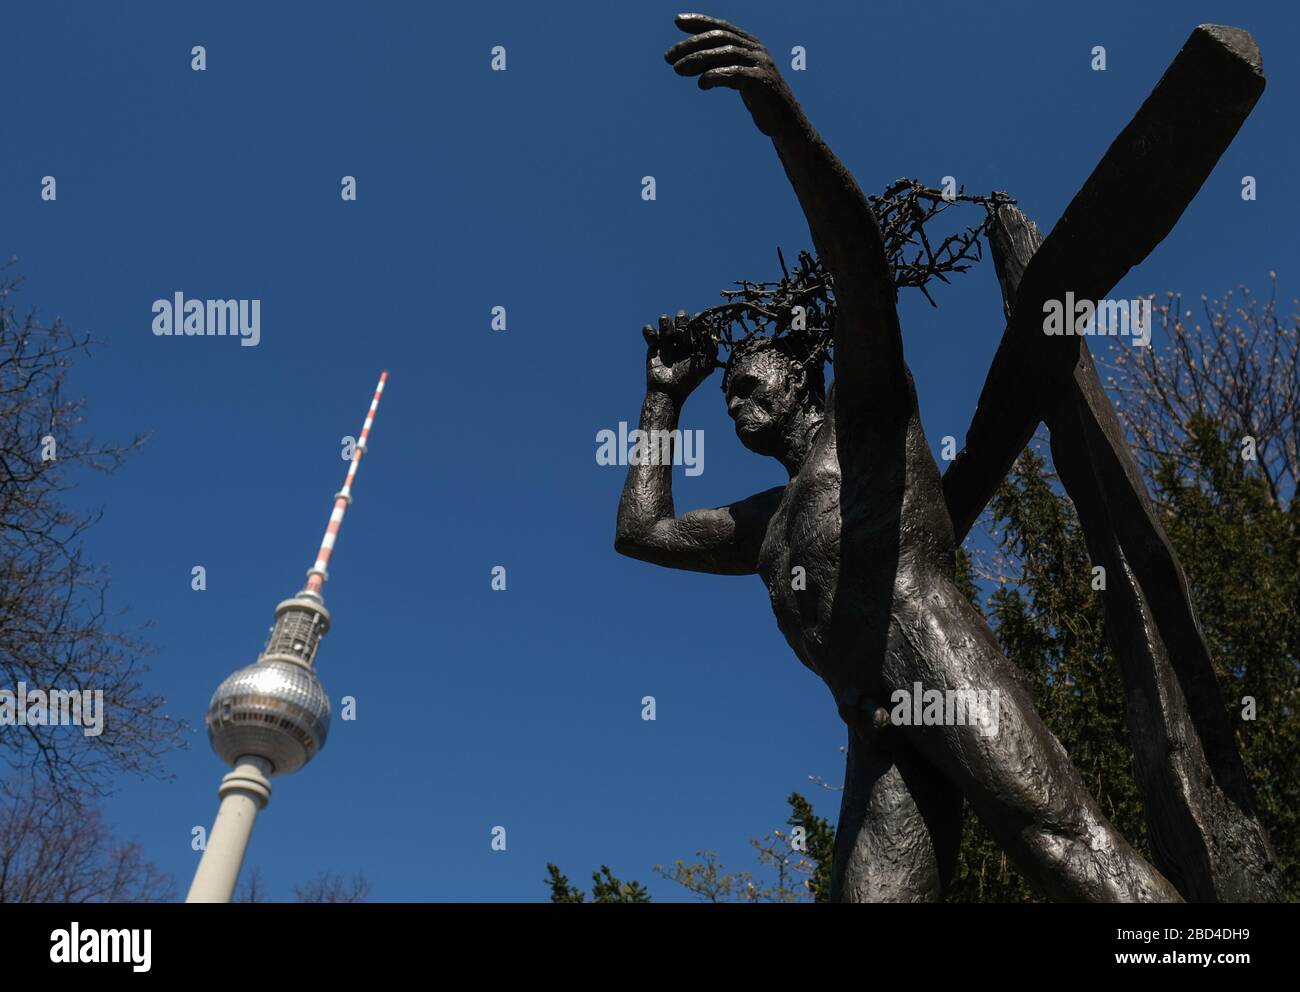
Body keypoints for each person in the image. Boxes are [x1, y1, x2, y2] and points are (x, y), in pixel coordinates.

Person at [614, 13, 1180, 902]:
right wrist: (661, 397)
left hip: (938, 656)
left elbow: (860, 271)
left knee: (1061, 842)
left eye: (749, 384)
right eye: (723, 397)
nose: (735, 404)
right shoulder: (765, 522)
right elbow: (641, 532)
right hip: (875, 726)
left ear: (808, 380)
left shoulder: (869, 425)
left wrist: (782, 119)